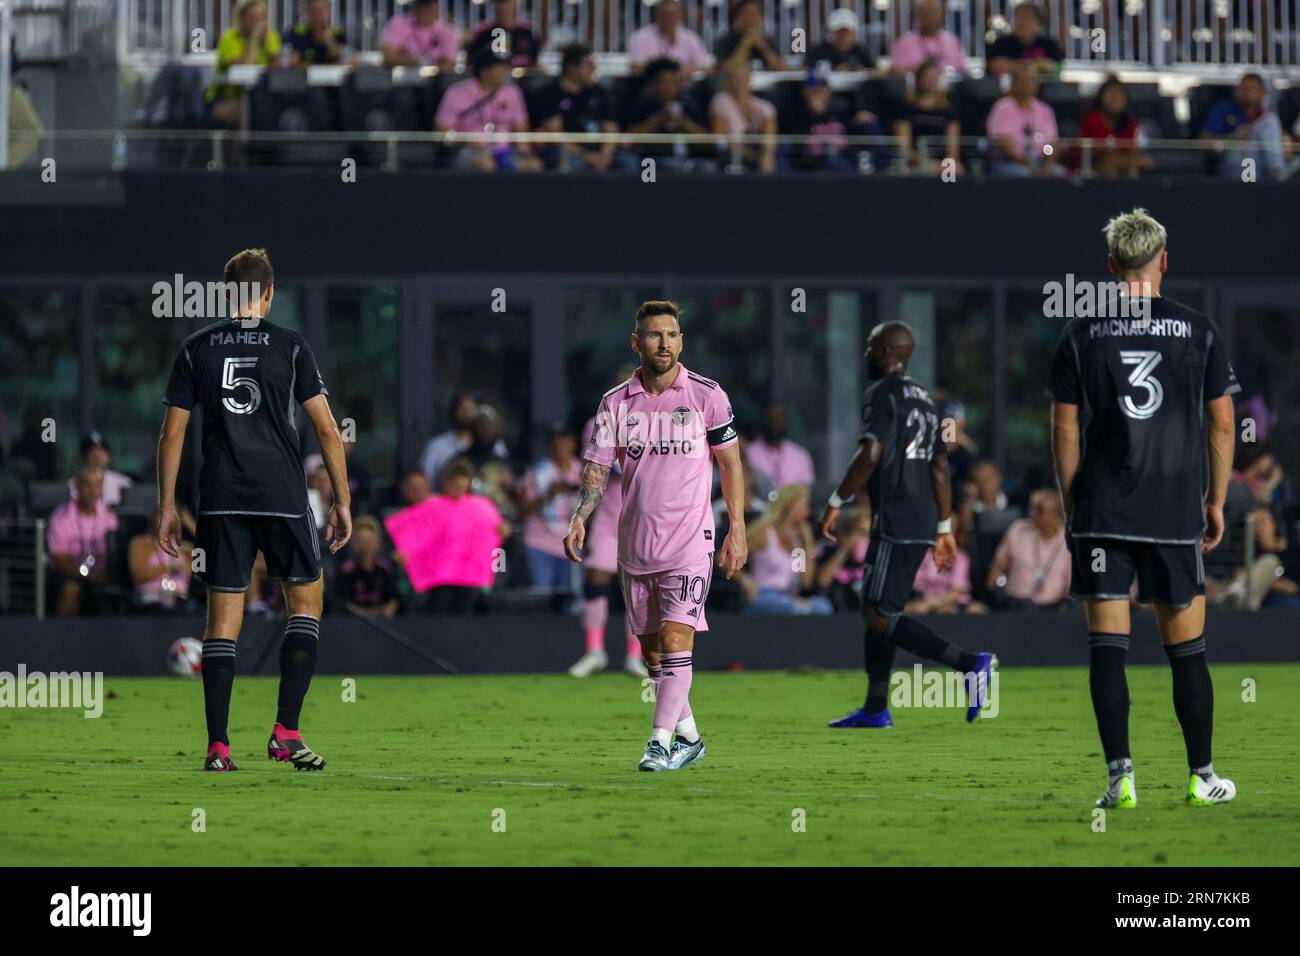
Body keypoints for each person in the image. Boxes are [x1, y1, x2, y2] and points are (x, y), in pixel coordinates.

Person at [1049, 208, 1241, 808]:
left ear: (1110, 267)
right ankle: (1202, 777)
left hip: (1103, 511)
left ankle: (1120, 779)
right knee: (1188, 650)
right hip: (1173, 508)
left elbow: (1063, 427)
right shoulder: (1200, 330)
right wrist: (1216, 500)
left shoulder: (1081, 334)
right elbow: (1223, 425)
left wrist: (1071, 500)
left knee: (1109, 646)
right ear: (1163, 260)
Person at [156, 248, 352, 773]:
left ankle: (218, 748)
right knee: (305, 603)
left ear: (226, 293)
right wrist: (342, 500)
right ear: (269, 293)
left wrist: (167, 505)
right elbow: (328, 431)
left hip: (220, 497)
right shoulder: (291, 348)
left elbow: (172, 432)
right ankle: (286, 730)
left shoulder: (196, 348)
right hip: (282, 494)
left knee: (222, 621)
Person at [564, 301, 746, 773]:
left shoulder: (708, 396)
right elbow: (598, 467)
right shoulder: (615, 403)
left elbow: (731, 465)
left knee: (675, 636)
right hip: (635, 545)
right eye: (653, 335)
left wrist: (737, 530)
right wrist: (580, 515)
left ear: (681, 341)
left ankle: (659, 744)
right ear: (636, 342)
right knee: (651, 653)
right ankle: (690, 738)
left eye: (671, 334)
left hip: (690, 541)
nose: (663, 342)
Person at [818, 321, 996, 729]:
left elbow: (871, 454)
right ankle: (876, 707)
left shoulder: (882, 393)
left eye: (868, 348)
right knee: (881, 609)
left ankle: (970, 664)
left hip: (895, 517)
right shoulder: (928, 402)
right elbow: (939, 467)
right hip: (922, 517)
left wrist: (835, 500)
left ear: (883, 352)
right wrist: (945, 527)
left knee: (879, 613)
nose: (865, 355)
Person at [569, 367, 646, 679]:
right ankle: (594, 651)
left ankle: (634, 656)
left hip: (642, 517)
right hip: (608, 516)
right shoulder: (598, 421)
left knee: (638, 587)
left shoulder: (655, 420)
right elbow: (594, 467)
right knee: (595, 580)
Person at [434, 48, 541, 172]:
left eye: (506, 67)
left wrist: (524, 149)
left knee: (534, 166)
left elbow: (520, 127)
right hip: (469, 149)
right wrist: (465, 139)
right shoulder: (457, 93)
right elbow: (441, 129)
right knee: (486, 165)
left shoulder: (512, 93)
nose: (505, 72)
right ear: (484, 71)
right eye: (500, 68)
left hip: (504, 150)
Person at [742, 485, 832, 614]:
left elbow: (805, 581)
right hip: (763, 594)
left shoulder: (798, 541)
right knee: (790, 607)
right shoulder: (763, 533)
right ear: (791, 505)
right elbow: (726, 557)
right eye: (805, 506)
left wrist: (807, 542)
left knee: (823, 606)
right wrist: (745, 580)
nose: (808, 512)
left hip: (789, 596)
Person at [532, 44, 620, 173]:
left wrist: (605, 154)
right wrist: (588, 157)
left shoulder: (600, 92)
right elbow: (556, 134)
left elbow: (611, 127)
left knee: (627, 162)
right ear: (572, 68)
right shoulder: (549, 93)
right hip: (568, 152)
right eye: (588, 65)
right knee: (571, 164)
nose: (593, 69)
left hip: (600, 152)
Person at [47, 466, 119, 618]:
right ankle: (64, 637)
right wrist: (91, 576)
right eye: (87, 485)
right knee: (71, 589)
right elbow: (62, 563)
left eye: (97, 485)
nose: (93, 491)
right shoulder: (60, 518)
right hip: (69, 576)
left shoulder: (111, 519)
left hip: (103, 578)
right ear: (77, 487)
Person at [520, 426, 582, 596]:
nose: (560, 447)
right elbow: (523, 510)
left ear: (573, 444)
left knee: (570, 600)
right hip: (539, 543)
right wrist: (548, 494)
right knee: (542, 598)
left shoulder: (583, 472)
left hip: (571, 545)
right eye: (556, 443)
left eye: (564, 442)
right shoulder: (537, 472)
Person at [983, 489, 1071, 609]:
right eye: (1032, 508)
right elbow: (997, 569)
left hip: (1054, 610)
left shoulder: (1069, 540)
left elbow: (1071, 586)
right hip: (1016, 605)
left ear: (1055, 515)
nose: (1033, 513)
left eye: (1040, 510)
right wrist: (999, 583)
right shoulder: (1018, 530)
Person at [625, 57, 711, 172]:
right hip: (651, 159)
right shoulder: (644, 104)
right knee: (646, 171)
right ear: (655, 84)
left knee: (707, 168)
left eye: (675, 82)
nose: (671, 87)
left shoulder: (688, 103)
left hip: (686, 159)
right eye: (666, 82)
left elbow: (707, 139)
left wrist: (685, 124)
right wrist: (659, 120)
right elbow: (630, 136)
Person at [206, 0, 282, 129]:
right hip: (225, 98)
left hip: (263, 96)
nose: (256, 22)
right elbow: (245, 68)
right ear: (241, 19)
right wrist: (253, 39)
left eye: (260, 18)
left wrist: (267, 46)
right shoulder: (229, 38)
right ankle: (242, 149)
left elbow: (279, 68)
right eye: (252, 17)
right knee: (249, 110)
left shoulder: (271, 36)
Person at [1199, 73, 1287, 182]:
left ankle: (1277, 173)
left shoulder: (1266, 117)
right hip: (1231, 163)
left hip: (1261, 170)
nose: (1247, 92)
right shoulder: (1224, 109)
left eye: (1252, 88)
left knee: (1270, 122)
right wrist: (1232, 139)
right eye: (1243, 88)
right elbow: (1204, 141)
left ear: (1263, 92)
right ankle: (1275, 176)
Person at [986, 61, 1060, 176]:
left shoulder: (1045, 110)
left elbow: (1052, 143)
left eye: (1032, 80)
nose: (1028, 84)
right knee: (1023, 174)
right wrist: (1027, 165)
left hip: (1039, 161)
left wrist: (1047, 164)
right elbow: (1005, 145)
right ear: (1014, 83)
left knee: (1058, 172)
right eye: (1024, 81)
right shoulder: (1003, 108)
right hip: (1009, 162)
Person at [709, 60, 777, 174]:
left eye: (742, 76)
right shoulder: (721, 101)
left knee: (769, 162)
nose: (739, 81)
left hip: (758, 159)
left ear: (749, 77)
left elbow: (770, 139)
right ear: (729, 80)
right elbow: (719, 140)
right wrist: (745, 153)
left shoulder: (764, 106)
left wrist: (766, 155)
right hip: (731, 158)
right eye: (735, 77)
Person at [895, 58, 961, 174]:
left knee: (957, 170)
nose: (932, 80)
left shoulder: (948, 110)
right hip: (916, 161)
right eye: (928, 76)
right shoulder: (907, 108)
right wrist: (925, 162)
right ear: (919, 80)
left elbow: (953, 148)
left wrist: (946, 163)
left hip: (943, 162)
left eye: (935, 76)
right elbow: (904, 147)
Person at [1074, 75, 1149, 178]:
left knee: (1138, 164)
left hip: (1123, 163)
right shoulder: (1092, 118)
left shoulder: (1129, 122)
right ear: (1101, 97)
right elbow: (1083, 149)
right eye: (1111, 94)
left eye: (1119, 94)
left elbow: (1131, 149)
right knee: (1110, 163)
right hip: (1093, 165)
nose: (1115, 98)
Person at [334, 516, 399, 618]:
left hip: (383, 624)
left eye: (369, 540)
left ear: (378, 542)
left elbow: (394, 599)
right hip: (353, 624)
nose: (366, 545)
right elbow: (341, 603)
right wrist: (366, 614)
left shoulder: (385, 570)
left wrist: (389, 609)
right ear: (353, 543)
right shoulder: (346, 572)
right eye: (361, 541)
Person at [130, 508, 193, 613]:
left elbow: (208, 555)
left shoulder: (184, 548)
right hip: (151, 598)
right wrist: (168, 568)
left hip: (180, 601)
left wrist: (189, 523)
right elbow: (138, 575)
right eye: (163, 517)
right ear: (154, 519)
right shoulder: (141, 543)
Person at [627, 0, 711, 74]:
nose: (668, 19)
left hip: (685, 87)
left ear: (680, 16)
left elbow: (706, 67)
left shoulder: (690, 38)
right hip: (649, 87)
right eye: (665, 14)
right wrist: (660, 71)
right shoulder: (641, 37)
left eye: (672, 14)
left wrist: (688, 70)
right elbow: (635, 66)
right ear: (656, 14)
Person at [746, 403, 814, 488]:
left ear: (786, 422)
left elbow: (806, 491)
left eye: (780, 418)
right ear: (763, 421)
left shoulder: (800, 456)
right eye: (771, 418)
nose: (776, 423)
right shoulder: (749, 453)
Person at [888, 0, 966, 75]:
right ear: (917, 14)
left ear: (941, 14)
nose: (929, 15)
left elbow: (962, 70)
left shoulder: (952, 41)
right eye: (924, 11)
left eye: (933, 11)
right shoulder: (904, 43)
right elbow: (896, 71)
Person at [986, 1, 1062, 76]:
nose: (1022, 22)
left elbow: (1058, 70)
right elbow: (991, 67)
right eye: (1019, 17)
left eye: (1027, 18)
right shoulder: (1001, 44)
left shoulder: (1049, 45)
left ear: (1038, 22)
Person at [380, 0, 458, 70]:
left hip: (436, 82)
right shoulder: (399, 24)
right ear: (415, 9)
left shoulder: (447, 32)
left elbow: (450, 64)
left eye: (431, 10)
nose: (427, 13)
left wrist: (424, 68)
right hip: (400, 81)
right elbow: (389, 58)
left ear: (438, 10)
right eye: (424, 9)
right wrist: (415, 62)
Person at [714, 0, 786, 72]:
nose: (751, 18)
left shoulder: (768, 41)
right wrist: (745, 44)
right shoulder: (726, 41)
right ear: (738, 16)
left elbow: (782, 69)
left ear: (761, 17)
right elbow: (723, 69)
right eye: (747, 14)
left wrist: (762, 46)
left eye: (754, 14)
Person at [465, 0, 539, 69]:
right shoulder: (483, 33)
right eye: (500, 3)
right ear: (495, 7)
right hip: (492, 82)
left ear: (515, 5)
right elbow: (470, 63)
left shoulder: (527, 33)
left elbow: (535, 63)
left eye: (508, 3)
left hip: (523, 81)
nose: (504, 7)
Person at [68, 432, 133, 508]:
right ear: (82, 456)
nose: (97, 455)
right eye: (92, 450)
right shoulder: (73, 485)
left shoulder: (123, 482)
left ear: (108, 456)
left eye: (101, 450)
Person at [806, 8, 875, 72]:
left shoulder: (862, 52)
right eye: (838, 31)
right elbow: (806, 74)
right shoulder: (816, 52)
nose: (843, 36)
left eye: (846, 32)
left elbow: (874, 73)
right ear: (830, 31)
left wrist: (855, 69)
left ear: (854, 33)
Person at [285, 0, 348, 67]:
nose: (318, 15)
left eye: (321, 11)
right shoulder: (297, 33)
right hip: (304, 75)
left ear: (329, 12)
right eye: (314, 11)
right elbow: (289, 61)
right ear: (308, 12)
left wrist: (329, 40)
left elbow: (344, 61)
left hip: (332, 76)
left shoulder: (337, 33)